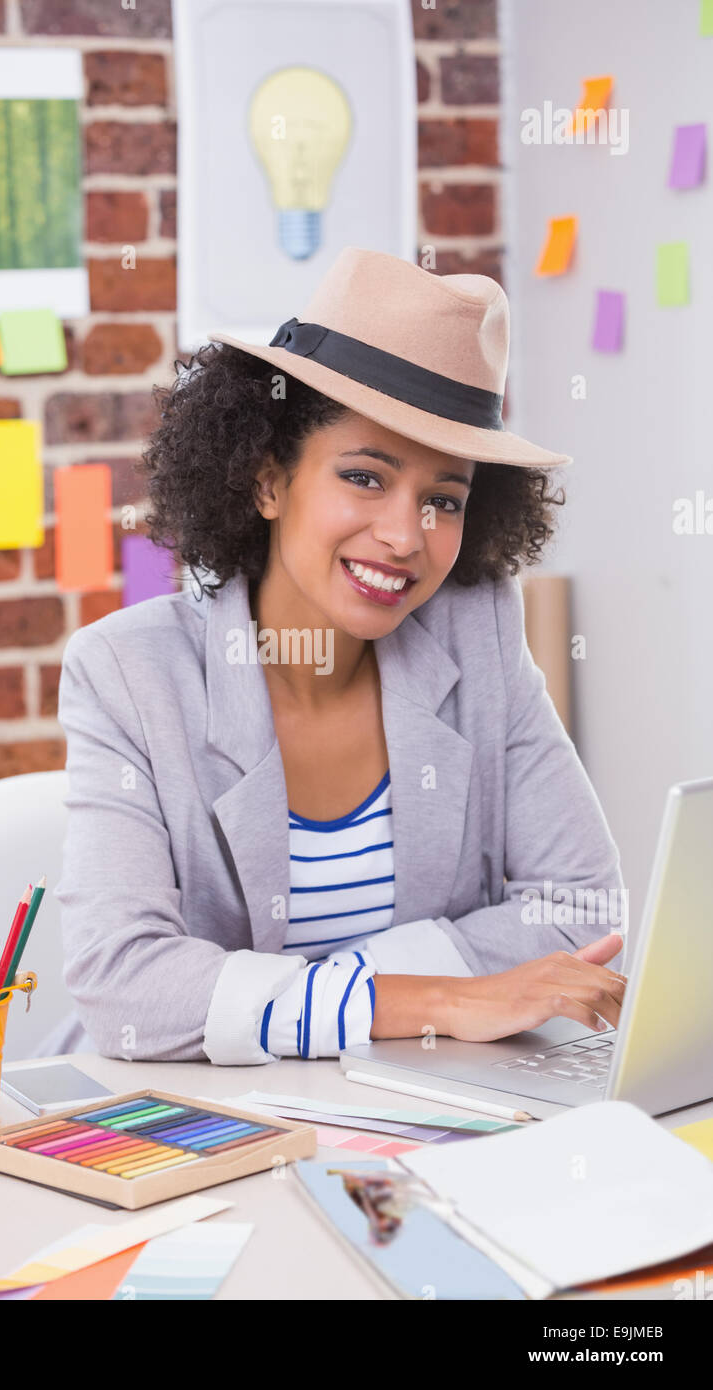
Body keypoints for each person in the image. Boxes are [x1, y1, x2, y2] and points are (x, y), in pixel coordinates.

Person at [36, 246, 626, 1066]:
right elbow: (124, 985)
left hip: (411, 1111)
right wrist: (437, 1000)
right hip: (192, 1127)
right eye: (365, 476)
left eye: (443, 499)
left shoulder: (477, 630)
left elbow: (583, 911)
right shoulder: (129, 673)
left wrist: (293, 997)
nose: (403, 536)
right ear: (268, 480)